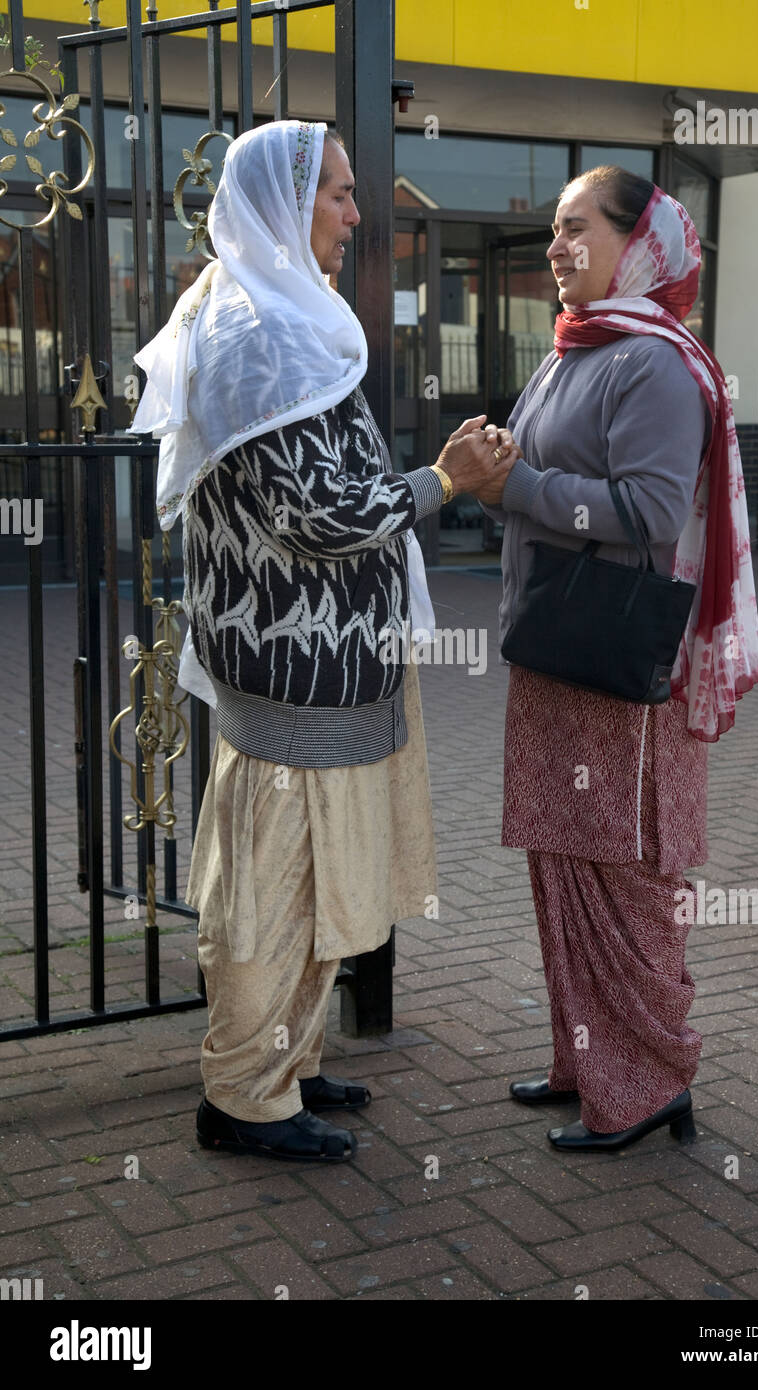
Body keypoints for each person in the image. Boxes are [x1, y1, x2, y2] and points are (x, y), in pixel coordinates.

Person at [129, 120, 518, 1163]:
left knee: (311, 884)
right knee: (265, 892)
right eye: (338, 193)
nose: (357, 211)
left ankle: (287, 1061)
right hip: (290, 670)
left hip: (332, 668)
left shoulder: (286, 309)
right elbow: (316, 515)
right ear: (281, 201)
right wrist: (446, 482)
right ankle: (242, 1098)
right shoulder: (250, 327)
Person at [477, 166, 758, 1154]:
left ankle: (645, 1081)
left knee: (621, 869)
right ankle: (586, 1061)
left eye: (572, 228)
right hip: (559, 650)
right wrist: (497, 465)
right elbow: (544, 469)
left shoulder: (650, 362)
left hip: (612, 666)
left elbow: (644, 513)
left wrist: (516, 484)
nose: (554, 246)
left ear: (635, 244)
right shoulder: (576, 345)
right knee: (564, 858)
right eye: (550, 229)